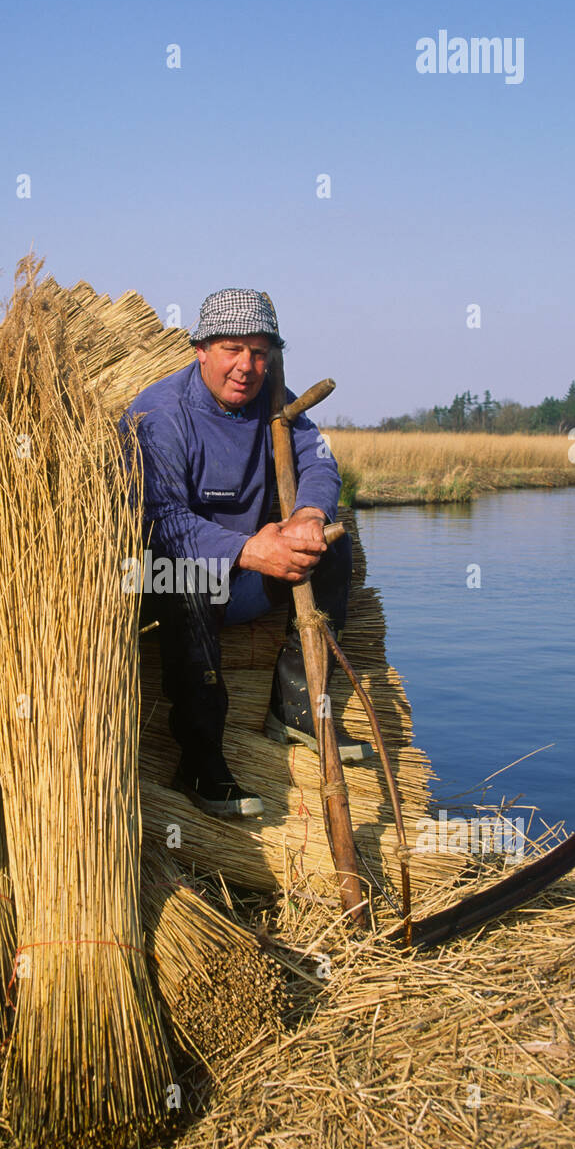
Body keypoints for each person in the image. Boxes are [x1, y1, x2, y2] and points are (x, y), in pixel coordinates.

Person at [120, 288, 372, 819]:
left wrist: (308, 516)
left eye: (260, 352)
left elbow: (322, 466)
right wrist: (251, 548)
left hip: (242, 580)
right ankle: (200, 759)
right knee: (182, 579)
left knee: (333, 544)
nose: (246, 366)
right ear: (200, 350)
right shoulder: (160, 416)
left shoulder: (279, 402)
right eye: (233, 349)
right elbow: (162, 522)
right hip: (163, 581)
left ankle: (297, 706)